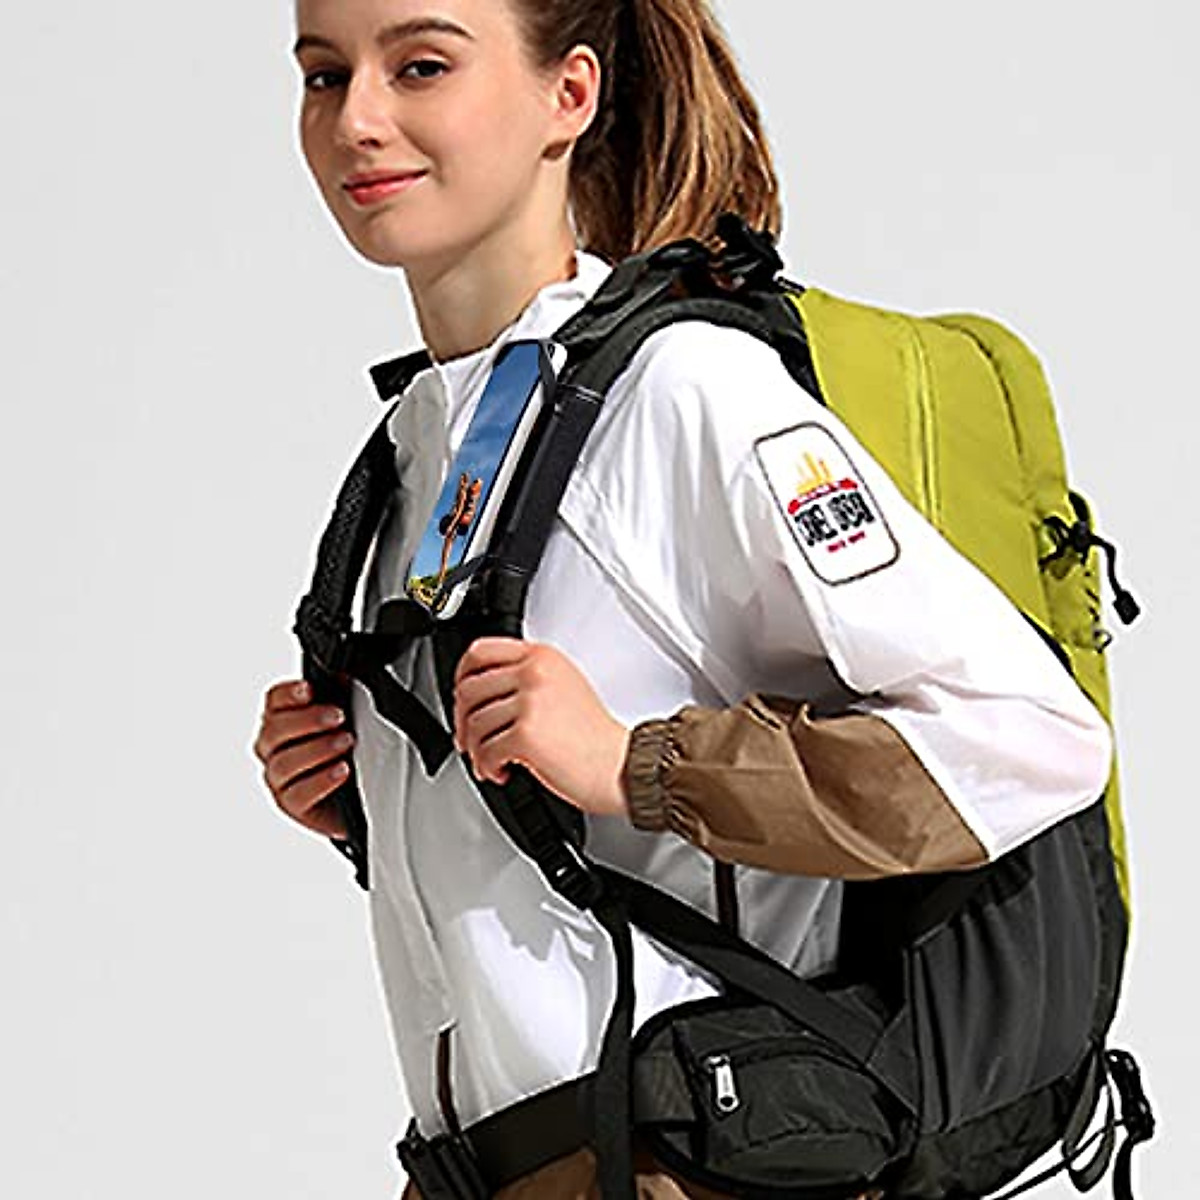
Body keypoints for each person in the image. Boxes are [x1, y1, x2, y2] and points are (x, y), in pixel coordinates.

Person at [252, 1, 1114, 1196]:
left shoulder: (686, 392)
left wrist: (641, 764)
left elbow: (1034, 737)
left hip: (685, 1164)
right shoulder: (416, 451)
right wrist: (369, 802)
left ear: (569, 95)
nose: (358, 119)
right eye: (323, 75)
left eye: (423, 66)